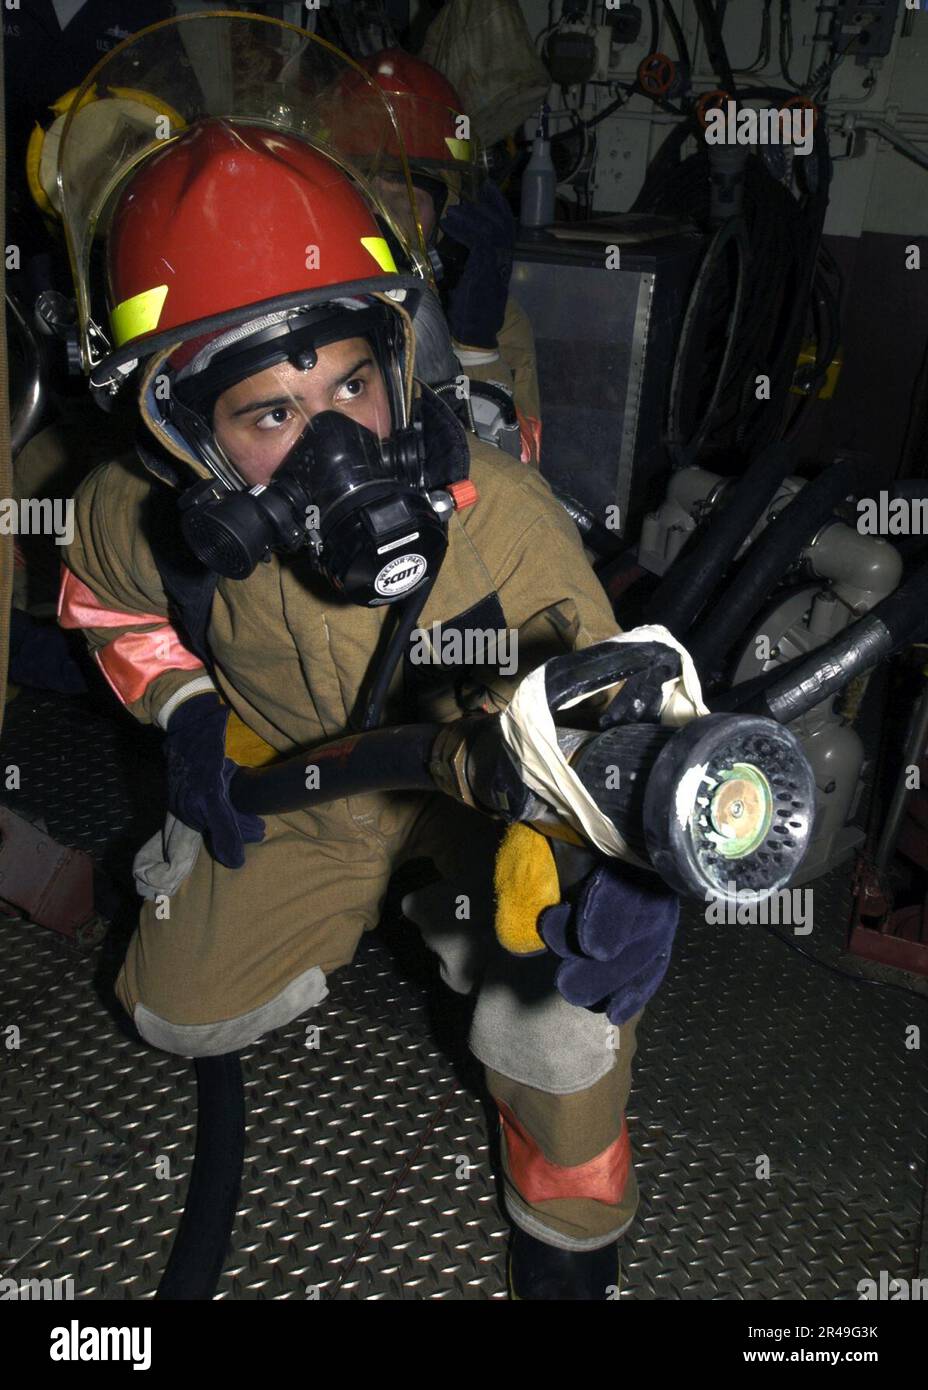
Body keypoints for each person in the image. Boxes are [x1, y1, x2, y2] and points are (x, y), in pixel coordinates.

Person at [59, 118, 668, 1300]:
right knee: (171, 1009)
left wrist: (618, 857)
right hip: (295, 785)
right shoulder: (144, 516)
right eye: (273, 415)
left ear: (402, 364)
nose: (339, 446)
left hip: (479, 803)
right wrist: (184, 709)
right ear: (187, 436)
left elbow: (611, 706)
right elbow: (103, 606)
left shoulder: (496, 513)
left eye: (351, 385)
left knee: (561, 1033)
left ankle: (569, 1235)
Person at [351, 48, 543, 467]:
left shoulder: (499, 323)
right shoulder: (286, 304)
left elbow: (517, 474)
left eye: (403, 201)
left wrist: (475, 350)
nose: (381, 224)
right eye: (362, 198)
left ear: (449, 212)